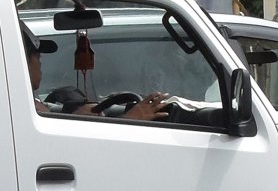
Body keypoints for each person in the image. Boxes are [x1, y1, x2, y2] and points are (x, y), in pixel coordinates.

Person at [22, 19, 169, 121]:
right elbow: (64, 147)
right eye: (37, 55)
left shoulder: (28, 105)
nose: (40, 61)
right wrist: (132, 118)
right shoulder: (27, 110)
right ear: (22, 57)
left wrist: (76, 117)